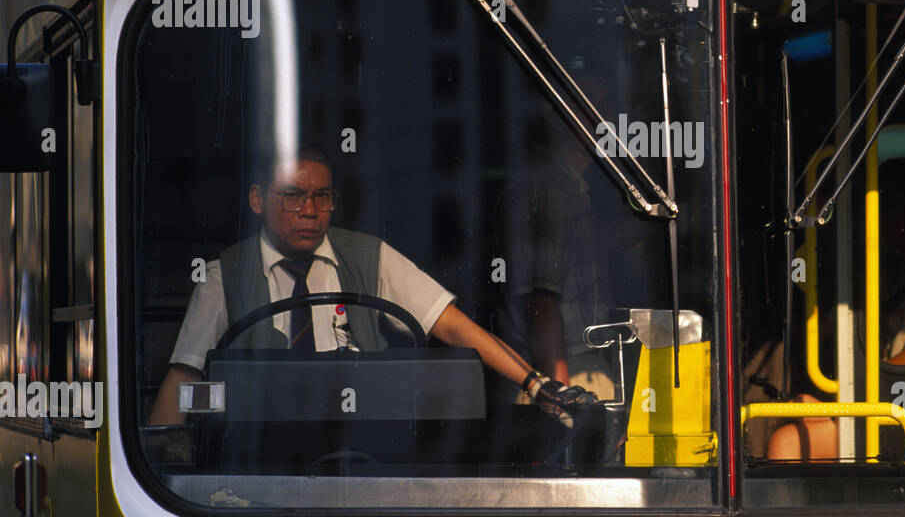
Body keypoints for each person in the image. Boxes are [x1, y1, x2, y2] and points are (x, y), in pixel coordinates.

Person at [146, 145, 594, 426]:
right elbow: (183, 377)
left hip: (359, 459)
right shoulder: (222, 276)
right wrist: (166, 459)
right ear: (258, 200)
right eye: (292, 195)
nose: (309, 210)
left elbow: (452, 325)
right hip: (256, 462)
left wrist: (536, 385)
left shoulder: (369, 256)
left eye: (322, 196)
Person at [765, 158, 905, 461]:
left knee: (791, 444)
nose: (875, 218)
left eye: (891, 206)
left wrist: (835, 406)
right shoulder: (891, 274)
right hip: (887, 409)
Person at [495, 81, 619, 403]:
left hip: (574, 372)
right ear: (553, 114)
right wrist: (560, 400)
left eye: (607, 103)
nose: (604, 115)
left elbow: (603, 244)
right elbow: (542, 303)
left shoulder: (569, 190)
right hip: (559, 375)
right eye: (592, 101)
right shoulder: (547, 192)